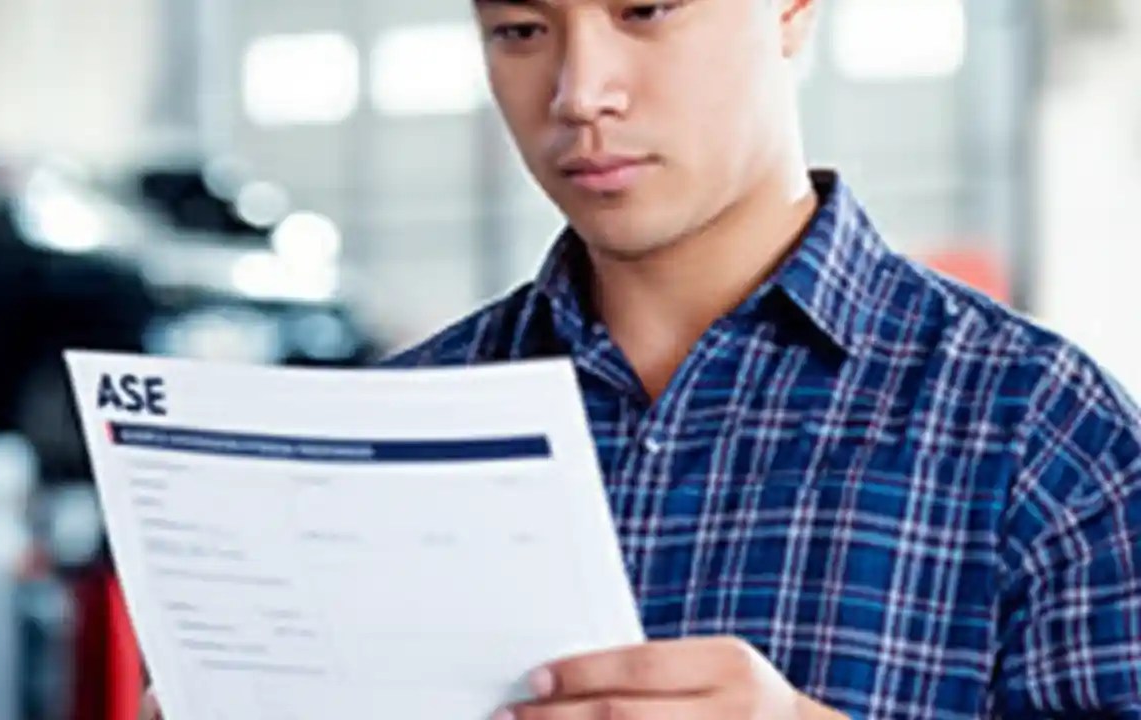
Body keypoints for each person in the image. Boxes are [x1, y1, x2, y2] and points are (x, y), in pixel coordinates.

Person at [143, 0, 1141, 717]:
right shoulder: (379, 435)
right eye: (521, 31)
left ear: (792, 11)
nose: (579, 94)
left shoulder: (1038, 429)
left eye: (645, 11)